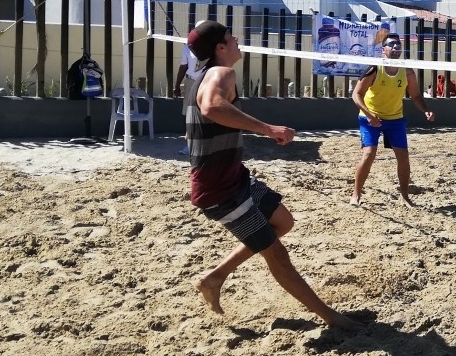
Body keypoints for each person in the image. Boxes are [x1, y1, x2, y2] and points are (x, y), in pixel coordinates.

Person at [185, 21, 358, 329]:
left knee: (283, 222)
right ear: (220, 48)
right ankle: (332, 318)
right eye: (229, 36)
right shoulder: (221, 73)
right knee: (276, 254)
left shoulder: (199, 75)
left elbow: (201, 123)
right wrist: (268, 129)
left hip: (233, 177)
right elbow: (212, 108)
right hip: (220, 191)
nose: (237, 38)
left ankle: (214, 277)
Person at [350, 34, 434, 208]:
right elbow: (356, 94)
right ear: (384, 50)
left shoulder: (407, 71)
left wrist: (426, 110)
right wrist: (369, 115)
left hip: (395, 118)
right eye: (391, 44)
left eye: (398, 44)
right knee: (369, 153)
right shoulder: (375, 69)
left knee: (403, 156)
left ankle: (405, 197)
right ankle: (356, 195)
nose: (396, 47)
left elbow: (416, 95)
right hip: (370, 117)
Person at [174, 20, 208, 155]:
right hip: (191, 82)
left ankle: (204, 145)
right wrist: (177, 85)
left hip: (206, 82)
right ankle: (189, 145)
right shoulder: (188, 47)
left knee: (206, 114)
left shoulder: (213, 47)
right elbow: (183, 67)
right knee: (189, 114)